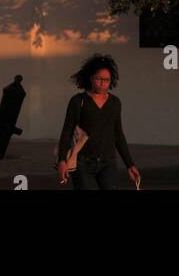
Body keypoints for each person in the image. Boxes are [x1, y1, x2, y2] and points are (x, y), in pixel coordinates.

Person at [56, 54, 141, 190]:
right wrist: (62, 160)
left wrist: (129, 164)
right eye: (98, 79)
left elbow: (118, 135)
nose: (102, 83)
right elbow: (67, 132)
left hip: (108, 163)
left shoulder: (114, 103)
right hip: (82, 163)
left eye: (106, 80)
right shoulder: (78, 101)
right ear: (91, 78)